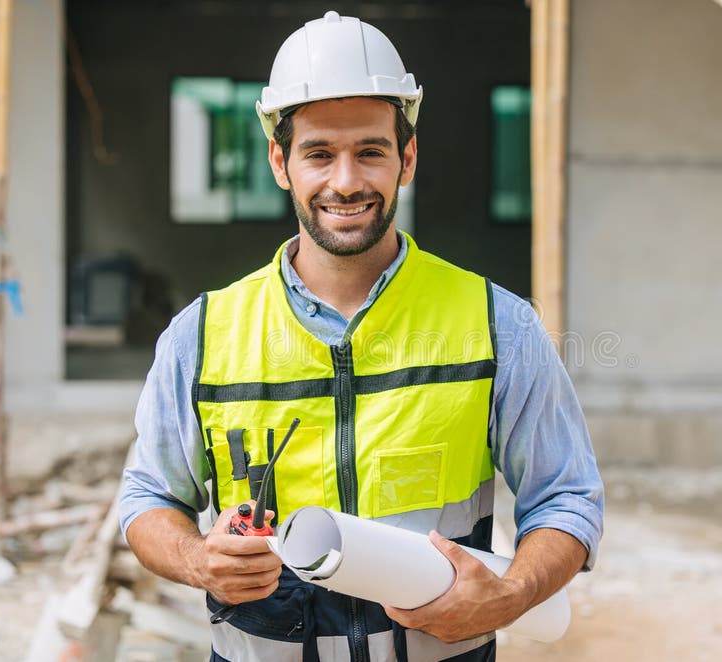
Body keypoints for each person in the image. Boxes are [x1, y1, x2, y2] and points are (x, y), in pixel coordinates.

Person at [120, 10, 603, 662]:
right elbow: (149, 498)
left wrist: (511, 592)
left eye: (369, 151)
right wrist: (198, 559)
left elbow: (567, 496)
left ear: (406, 158)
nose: (345, 182)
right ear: (280, 162)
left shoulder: (498, 325)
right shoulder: (201, 337)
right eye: (319, 153)